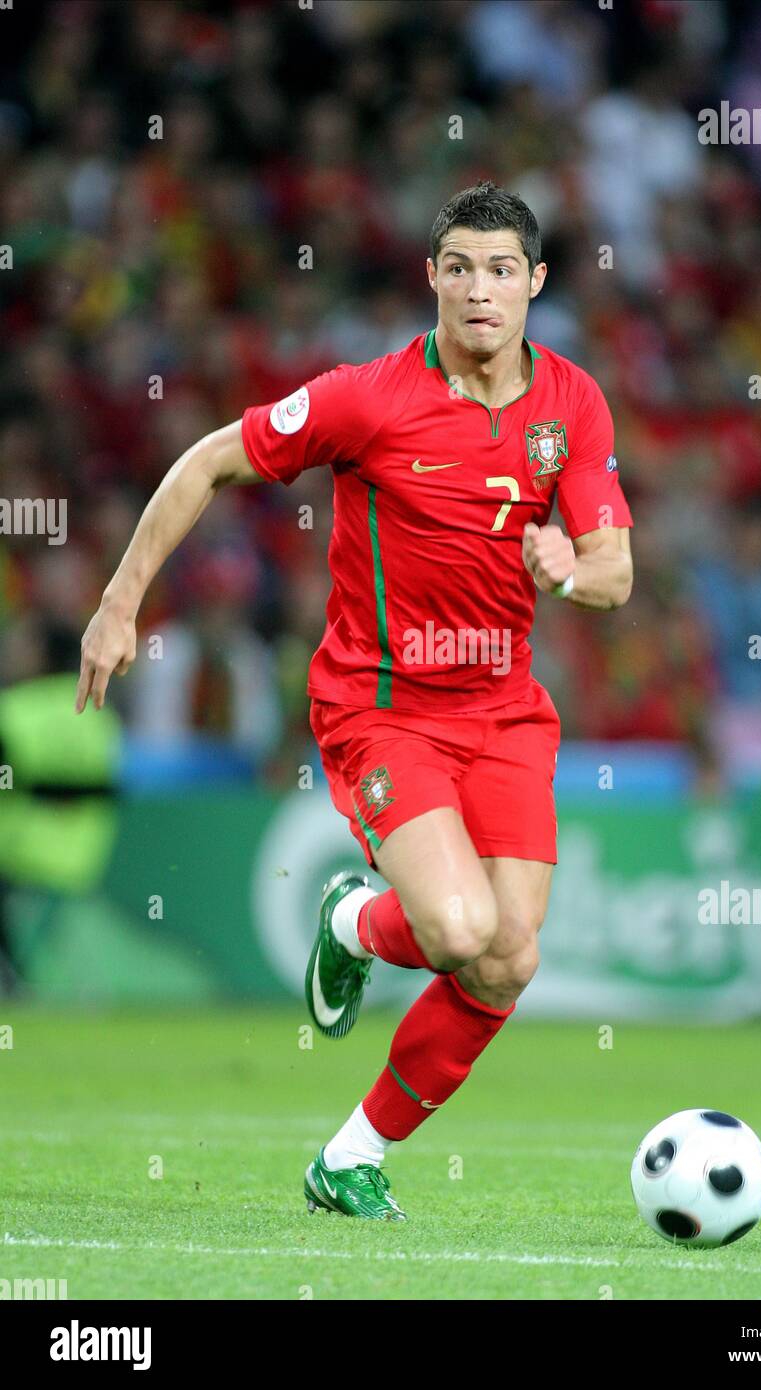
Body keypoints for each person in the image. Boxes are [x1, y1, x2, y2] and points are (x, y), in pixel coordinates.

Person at [76, 181, 634, 1220]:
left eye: (502, 270)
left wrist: (567, 567)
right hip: (382, 707)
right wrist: (119, 603)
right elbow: (208, 461)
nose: (480, 291)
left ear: (536, 284)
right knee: (462, 927)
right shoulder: (366, 397)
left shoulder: (574, 405)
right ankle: (361, 919)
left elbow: (615, 572)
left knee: (508, 958)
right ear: (430, 276)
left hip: (506, 708)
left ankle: (350, 1149)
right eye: (459, 268)